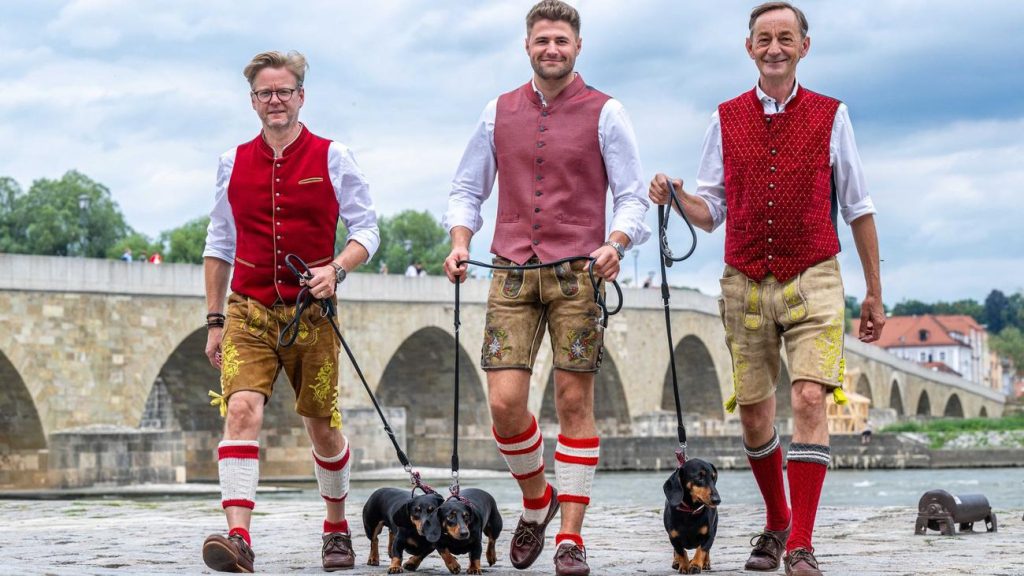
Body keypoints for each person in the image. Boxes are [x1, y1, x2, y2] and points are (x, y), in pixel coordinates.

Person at [649, 3, 884, 575]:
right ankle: (777, 521)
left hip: (814, 275)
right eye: (763, 38)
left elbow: (858, 207)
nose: (774, 47)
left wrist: (875, 291)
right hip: (746, 280)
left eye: (785, 37)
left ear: (805, 46)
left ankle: (799, 542)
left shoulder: (833, 115)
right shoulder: (723, 118)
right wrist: (676, 196)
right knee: (755, 415)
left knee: (808, 399)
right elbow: (713, 213)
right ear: (748, 47)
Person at [443, 2, 649, 574]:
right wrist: (461, 241)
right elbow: (467, 187)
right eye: (541, 40)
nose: (551, 49)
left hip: (578, 273)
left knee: (573, 402)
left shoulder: (608, 112)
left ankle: (570, 537)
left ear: (578, 47)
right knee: (506, 405)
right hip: (508, 269)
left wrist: (618, 241)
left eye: (561, 40)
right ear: (527, 46)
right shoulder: (496, 112)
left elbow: (630, 194)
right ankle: (537, 499)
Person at [201, 50, 379, 573]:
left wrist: (337, 269)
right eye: (264, 93)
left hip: (312, 313)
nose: (274, 100)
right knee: (240, 411)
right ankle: (238, 537)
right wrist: (215, 320)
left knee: (321, 426)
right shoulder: (231, 162)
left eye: (283, 91)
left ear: (301, 96)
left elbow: (367, 230)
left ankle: (336, 527)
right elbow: (219, 243)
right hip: (248, 310)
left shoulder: (333, 155)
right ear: (252, 101)